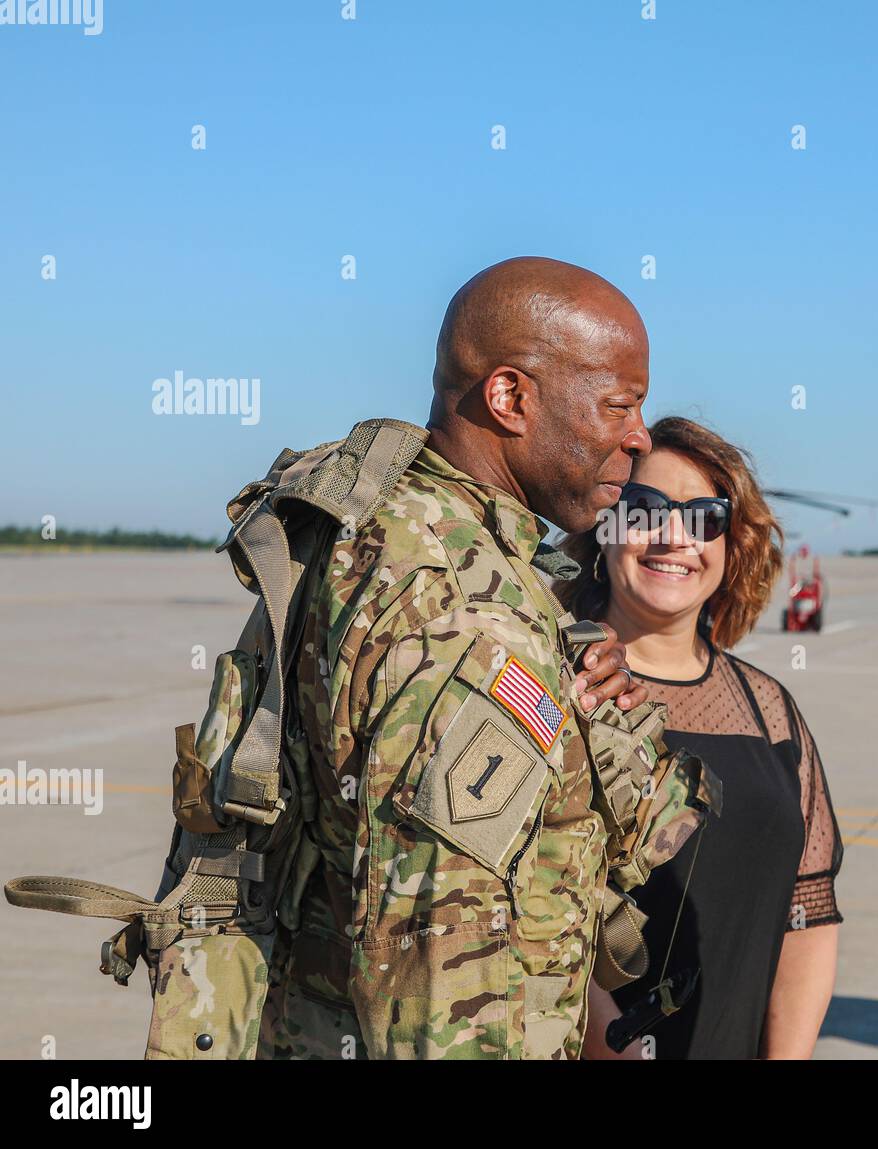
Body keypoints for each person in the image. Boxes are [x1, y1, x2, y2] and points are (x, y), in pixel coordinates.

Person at [263, 256, 656, 1059]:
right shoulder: (466, 612)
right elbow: (438, 953)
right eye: (619, 405)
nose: (638, 436)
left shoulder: (407, 537)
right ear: (510, 397)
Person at [559, 416, 843, 1060]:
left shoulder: (769, 709)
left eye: (705, 515)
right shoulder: (551, 681)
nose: (675, 536)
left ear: (730, 542)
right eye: (643, 509)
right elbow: (529, 918)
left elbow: (810, 914)